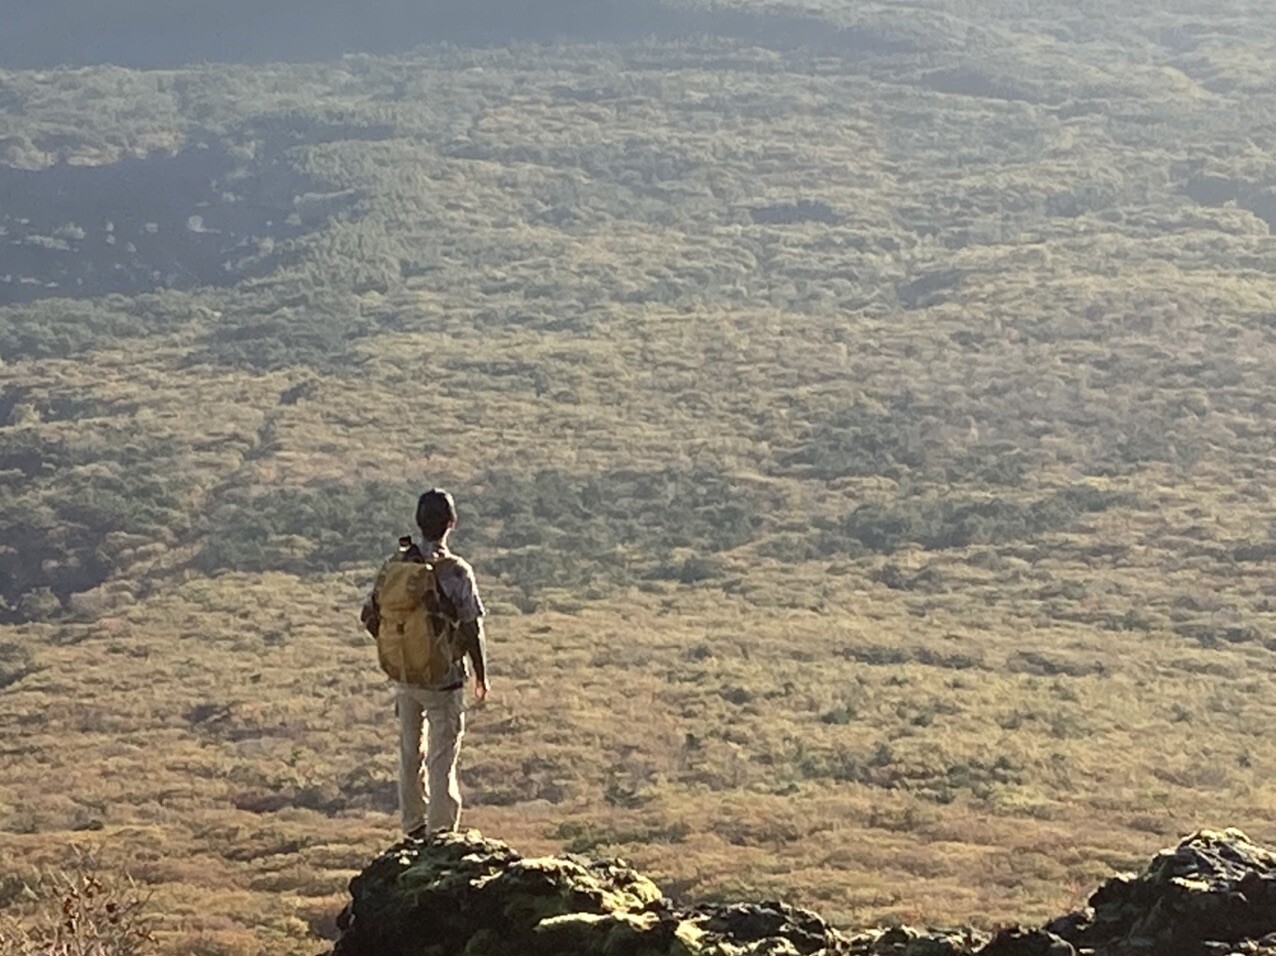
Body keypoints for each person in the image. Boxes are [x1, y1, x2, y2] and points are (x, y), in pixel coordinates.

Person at [361, 489, 489, 837]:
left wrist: (403, 648)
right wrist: (480, 674)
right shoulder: (455, 571)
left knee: (409, 753)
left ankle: (413, 826)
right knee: (441, 757)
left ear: (419, 522)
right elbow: (471, 625)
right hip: (443, 679)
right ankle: (441, 832)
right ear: (452, 523)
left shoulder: (396, 566)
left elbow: (370, 616)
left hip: (406, 677)